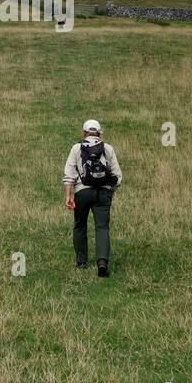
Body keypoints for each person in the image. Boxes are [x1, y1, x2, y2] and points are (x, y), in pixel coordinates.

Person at [62, 119, 123, 278]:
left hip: (82, 192)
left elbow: (69, 174)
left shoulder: (76, 148)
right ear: (100, 133)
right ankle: (102, 263)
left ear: (84, 133)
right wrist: (111, 191)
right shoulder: (108, 148)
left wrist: (68, 195)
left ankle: (81, 262)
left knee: (80, 225)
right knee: (102, 227)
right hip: (103, 193)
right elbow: (117, 176)